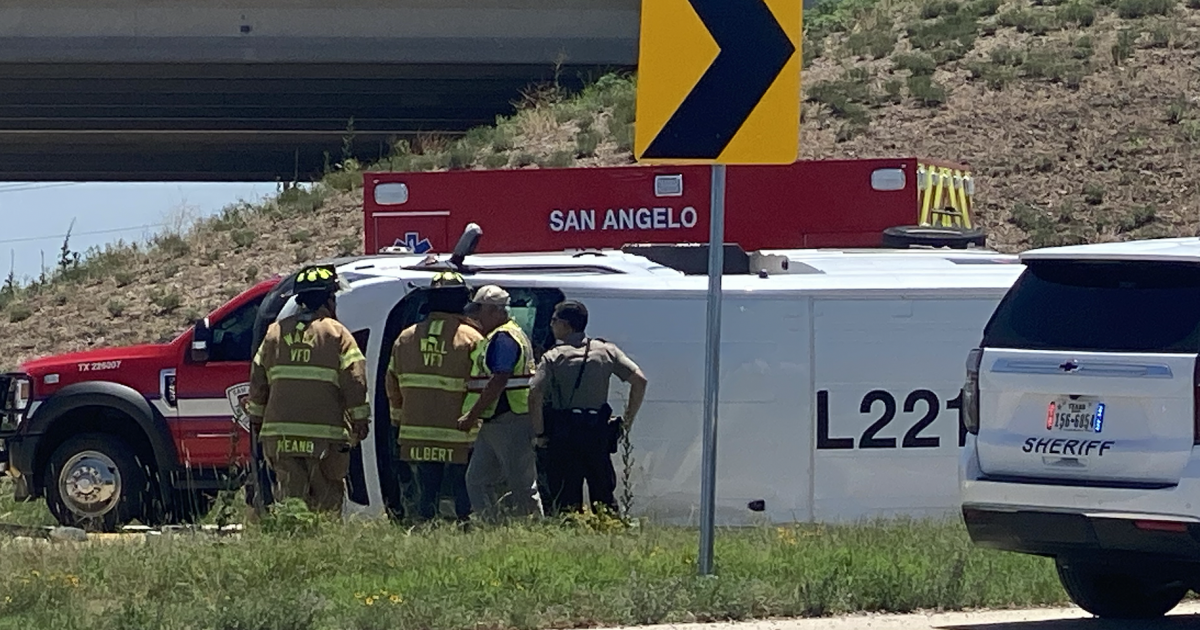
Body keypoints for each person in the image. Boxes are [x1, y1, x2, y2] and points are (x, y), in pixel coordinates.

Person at [246, 264, 371, 514]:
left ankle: (293, 544)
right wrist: (360, 420)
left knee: (292, 503)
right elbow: (354, 379)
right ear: (328, 300)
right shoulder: (337, 333)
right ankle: (321, 547)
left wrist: (257, 420)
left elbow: (257, 382)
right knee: (326, 503)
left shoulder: (274, 333)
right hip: (324, 439)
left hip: (280, 438)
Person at [529, 299, 648, 516]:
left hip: (564, 434)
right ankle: (608, 530)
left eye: (554, 321)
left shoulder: (553, 357)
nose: (551, 325)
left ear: (566, 325)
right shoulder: (607, 351)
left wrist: (539, 433)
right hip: (597, 433)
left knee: (566, 499)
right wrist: (627, 422)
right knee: (603, 494)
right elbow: (640, 381)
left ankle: (572, 536)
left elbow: (534, 394)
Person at [385, 271, 483, 523]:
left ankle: (423, 526)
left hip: (416, 432)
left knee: (425, 489)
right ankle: (465, 526)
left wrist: (399, 421)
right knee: (464, 486)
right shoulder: (472, 338)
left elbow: (392, 384)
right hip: (459, 433)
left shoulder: (406, 337)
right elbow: (482, 385)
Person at [456, 285, 544, 521]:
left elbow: (499, 379)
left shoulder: (504, 338)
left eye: (480, 310)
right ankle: (492, 529)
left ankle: (534, 530)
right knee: (477, 479)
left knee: (521, 483)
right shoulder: (504, 334)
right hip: (496, 420)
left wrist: (471, 415)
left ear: (495, 311)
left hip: (510, 419)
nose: (476, 316)